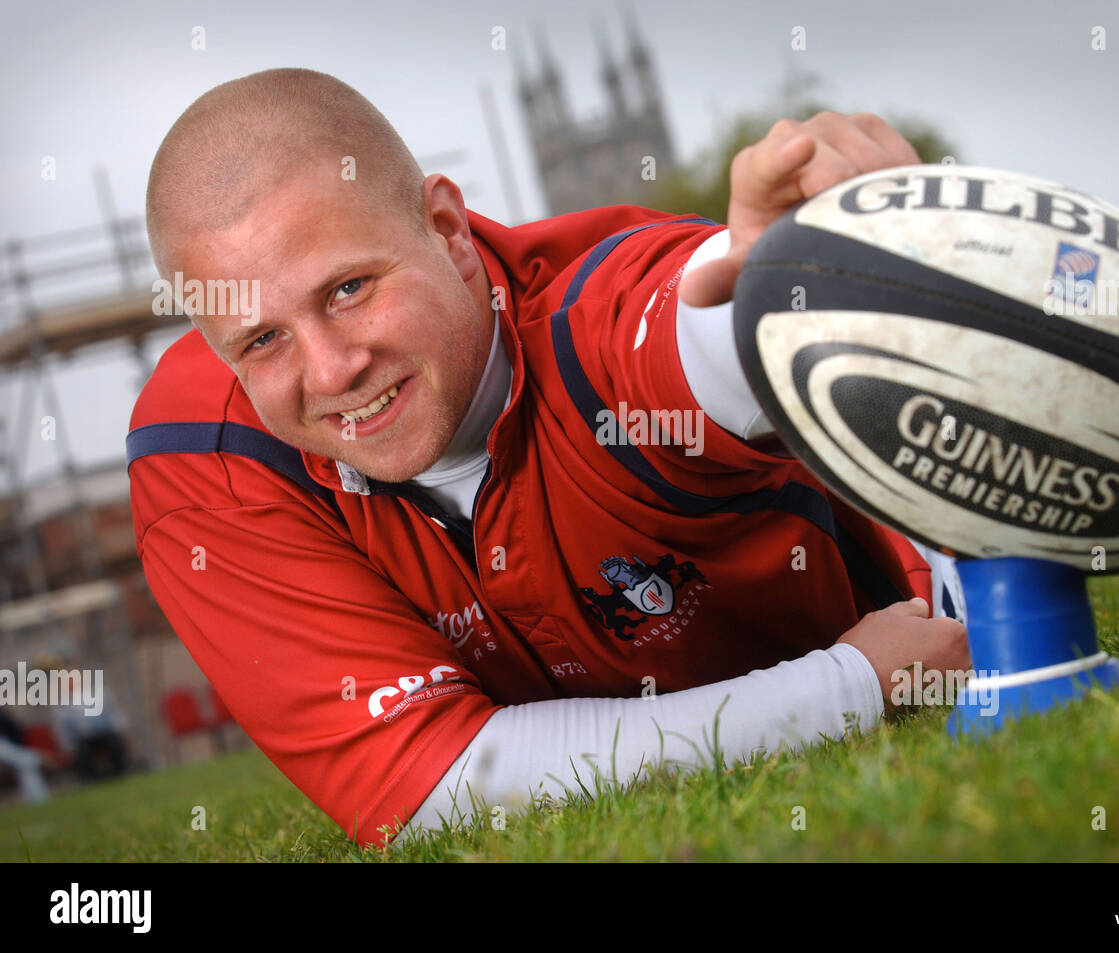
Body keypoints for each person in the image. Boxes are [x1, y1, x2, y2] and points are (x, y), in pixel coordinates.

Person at [128, 68, 970, 847]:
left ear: (449, 231)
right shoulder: (203, 453)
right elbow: (443, 785)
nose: (330, 369)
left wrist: (803, 276)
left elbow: (703, 324)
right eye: (264, 338)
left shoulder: (596, 322)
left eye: (349, 288)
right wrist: (850, 687)